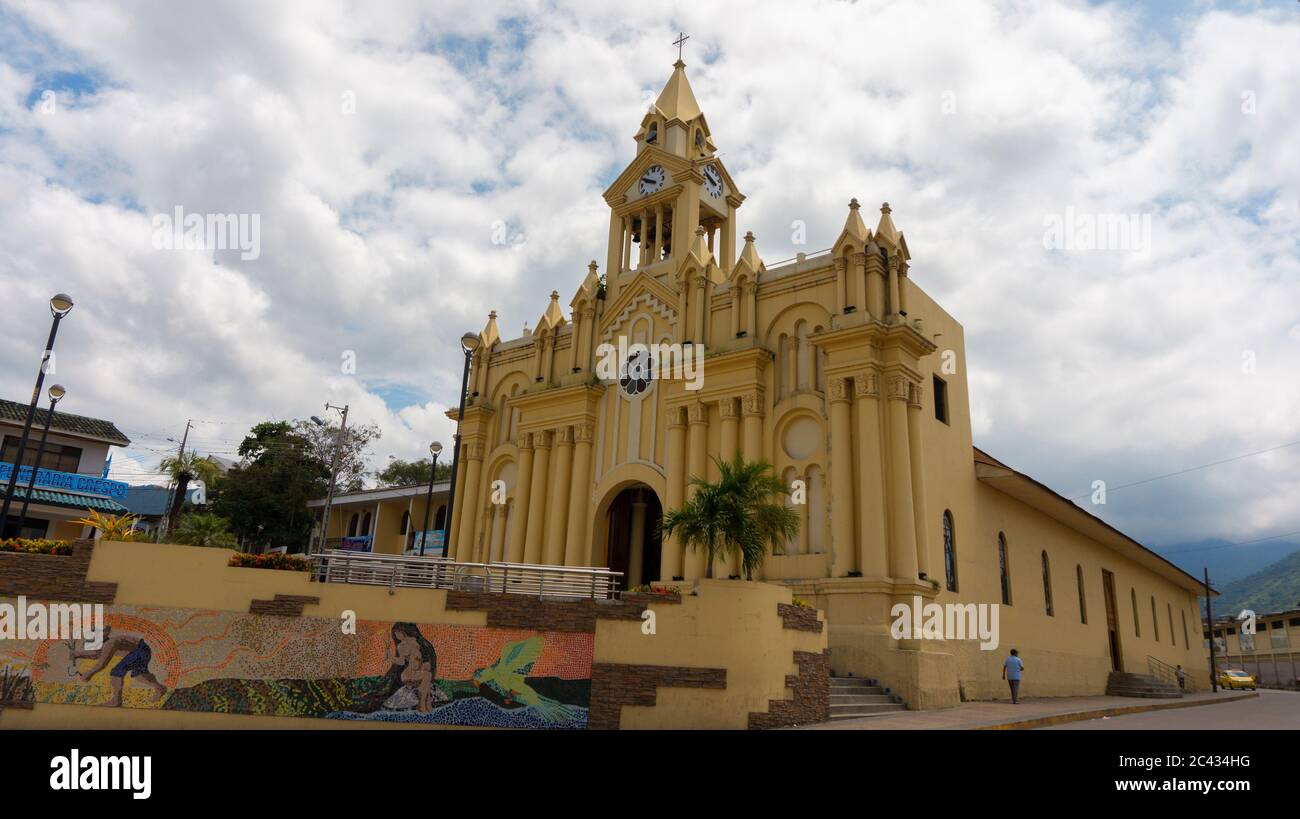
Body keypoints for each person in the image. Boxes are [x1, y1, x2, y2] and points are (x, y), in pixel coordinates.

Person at [71, 626, 167, 706]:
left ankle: (116, 700)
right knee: (139, 675)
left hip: (139, 651)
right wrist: (78, 654)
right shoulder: (107, 643)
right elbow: (96, 655)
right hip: (143, 650)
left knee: (116, 672)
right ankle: (159, 687)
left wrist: (88, 674)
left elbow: (102, 663)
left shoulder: (110, 643)